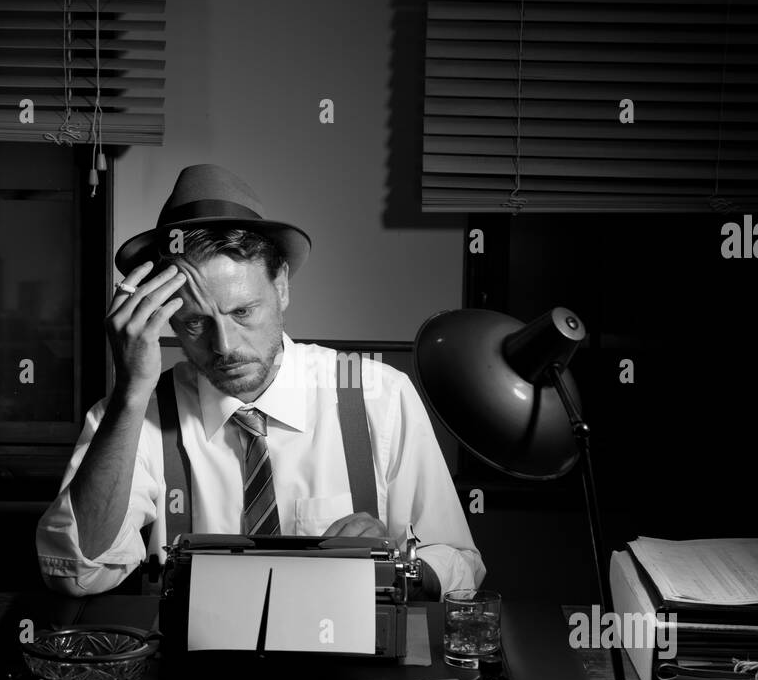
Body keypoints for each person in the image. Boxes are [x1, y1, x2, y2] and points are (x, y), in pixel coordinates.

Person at [36, 164, 485, 598]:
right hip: (194, 672)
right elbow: (78, 575)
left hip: (348, 667)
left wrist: (394, 565)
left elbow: (461, 564)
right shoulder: (133, 415)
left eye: (243, 312)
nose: (225, 346)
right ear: (163, 320)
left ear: (282, 286)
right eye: (194, 323)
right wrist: (130, 395)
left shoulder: (378, 394)